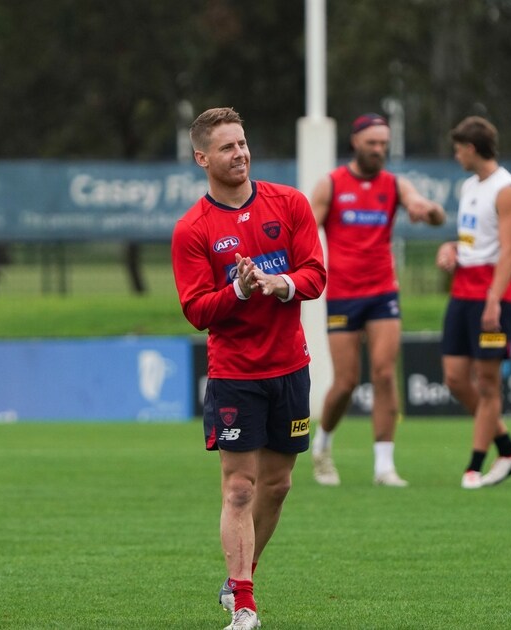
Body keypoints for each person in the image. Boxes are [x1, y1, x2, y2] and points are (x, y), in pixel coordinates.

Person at [171, 107, 326, 630]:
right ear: (202, 158)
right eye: (227, 147)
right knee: (239, 487)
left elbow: (315, 274)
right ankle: (244, 605)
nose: (239, 153)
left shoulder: (290, 203)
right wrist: (237, 289)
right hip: (235, 372)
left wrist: (282, 285)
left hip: (290, 368)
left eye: (242, 143)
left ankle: (242, 574)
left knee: (277, 485)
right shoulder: (192, 228)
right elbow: (196, 311)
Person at [309, 113, 446, 487]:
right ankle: (322, 446)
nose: (379, 150)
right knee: (346, 382)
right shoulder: (331, 185)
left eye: (384, 144)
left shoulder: (394, 185)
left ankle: (384, 466)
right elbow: (303, 231)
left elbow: (430, 211)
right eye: (372, 143)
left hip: (383, 291)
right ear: (355, 142)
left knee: (385, 373)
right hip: (342, 295)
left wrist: (428, 210)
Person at [435, 115, 511, 490]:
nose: (456, 156)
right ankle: (509, 450)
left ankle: (474, 466)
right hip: (461, 293)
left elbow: (509, 251)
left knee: (488, 384)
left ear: (471, 149)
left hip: (493, 297)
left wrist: (494, 301)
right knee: (455, 379)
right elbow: (475, 242)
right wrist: (451, 249)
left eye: (458, 149)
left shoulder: (507, 189)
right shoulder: (468, 187)